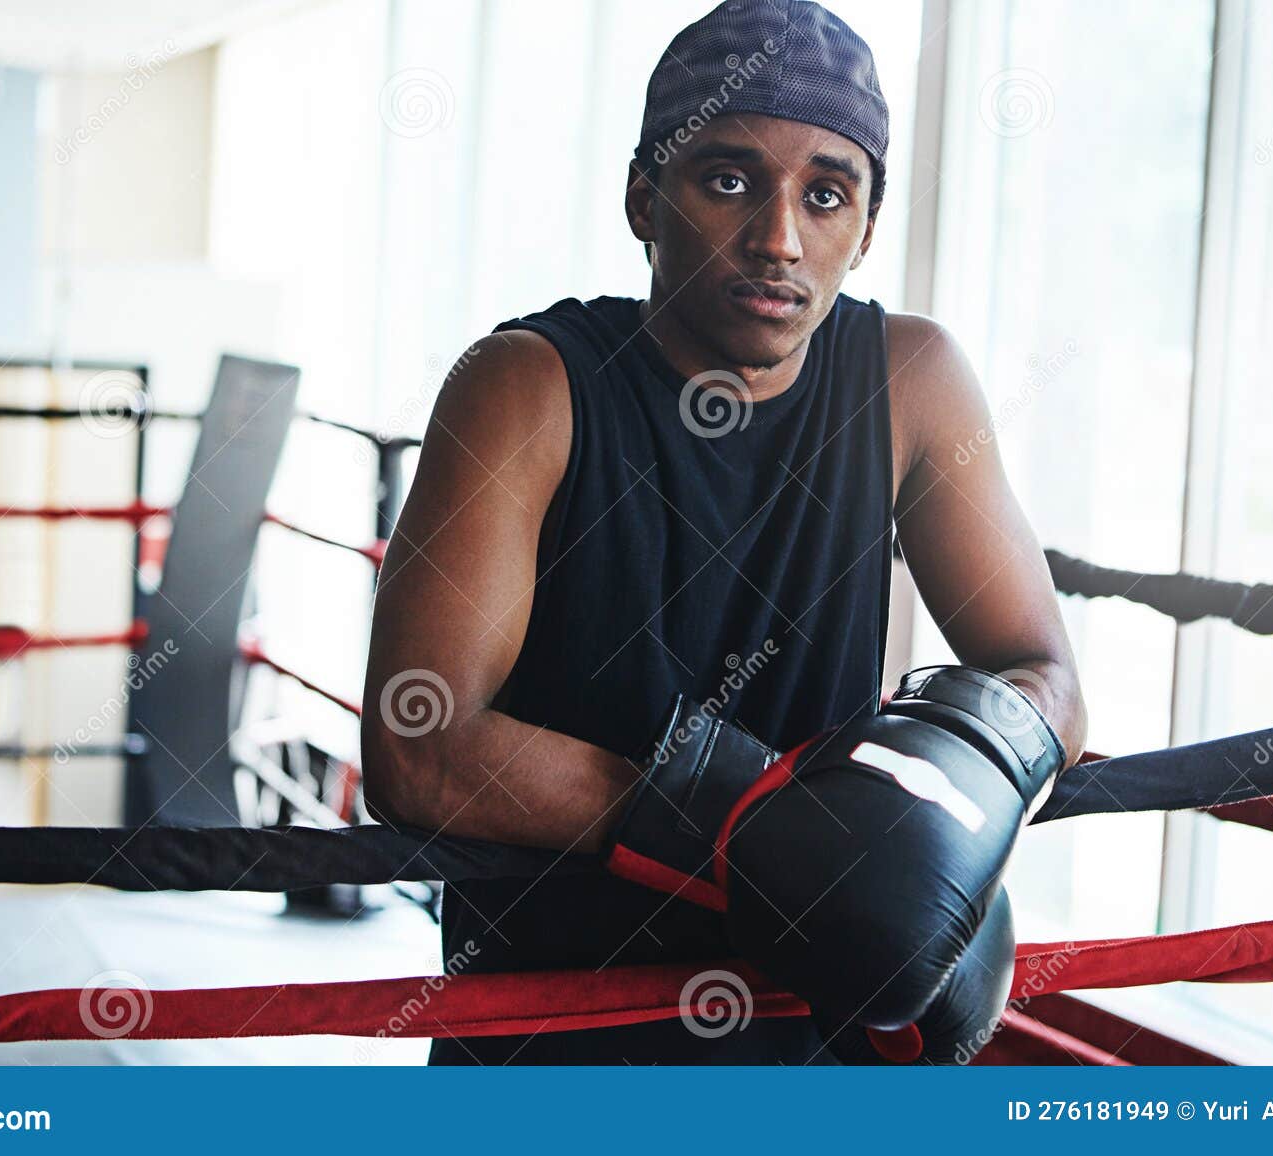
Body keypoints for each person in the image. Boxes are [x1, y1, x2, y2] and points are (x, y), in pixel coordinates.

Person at [362, 0, 1087, 1065]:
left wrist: (945, 819)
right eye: (729, 180)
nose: (779, 238)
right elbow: (417, 747)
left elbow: (1046, 682)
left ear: (866, 228)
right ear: (643, 199)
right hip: (555, 1032)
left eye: (826, 195)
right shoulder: (527, 385)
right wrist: (763, 827)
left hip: (805, 1022)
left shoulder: (907, 380)